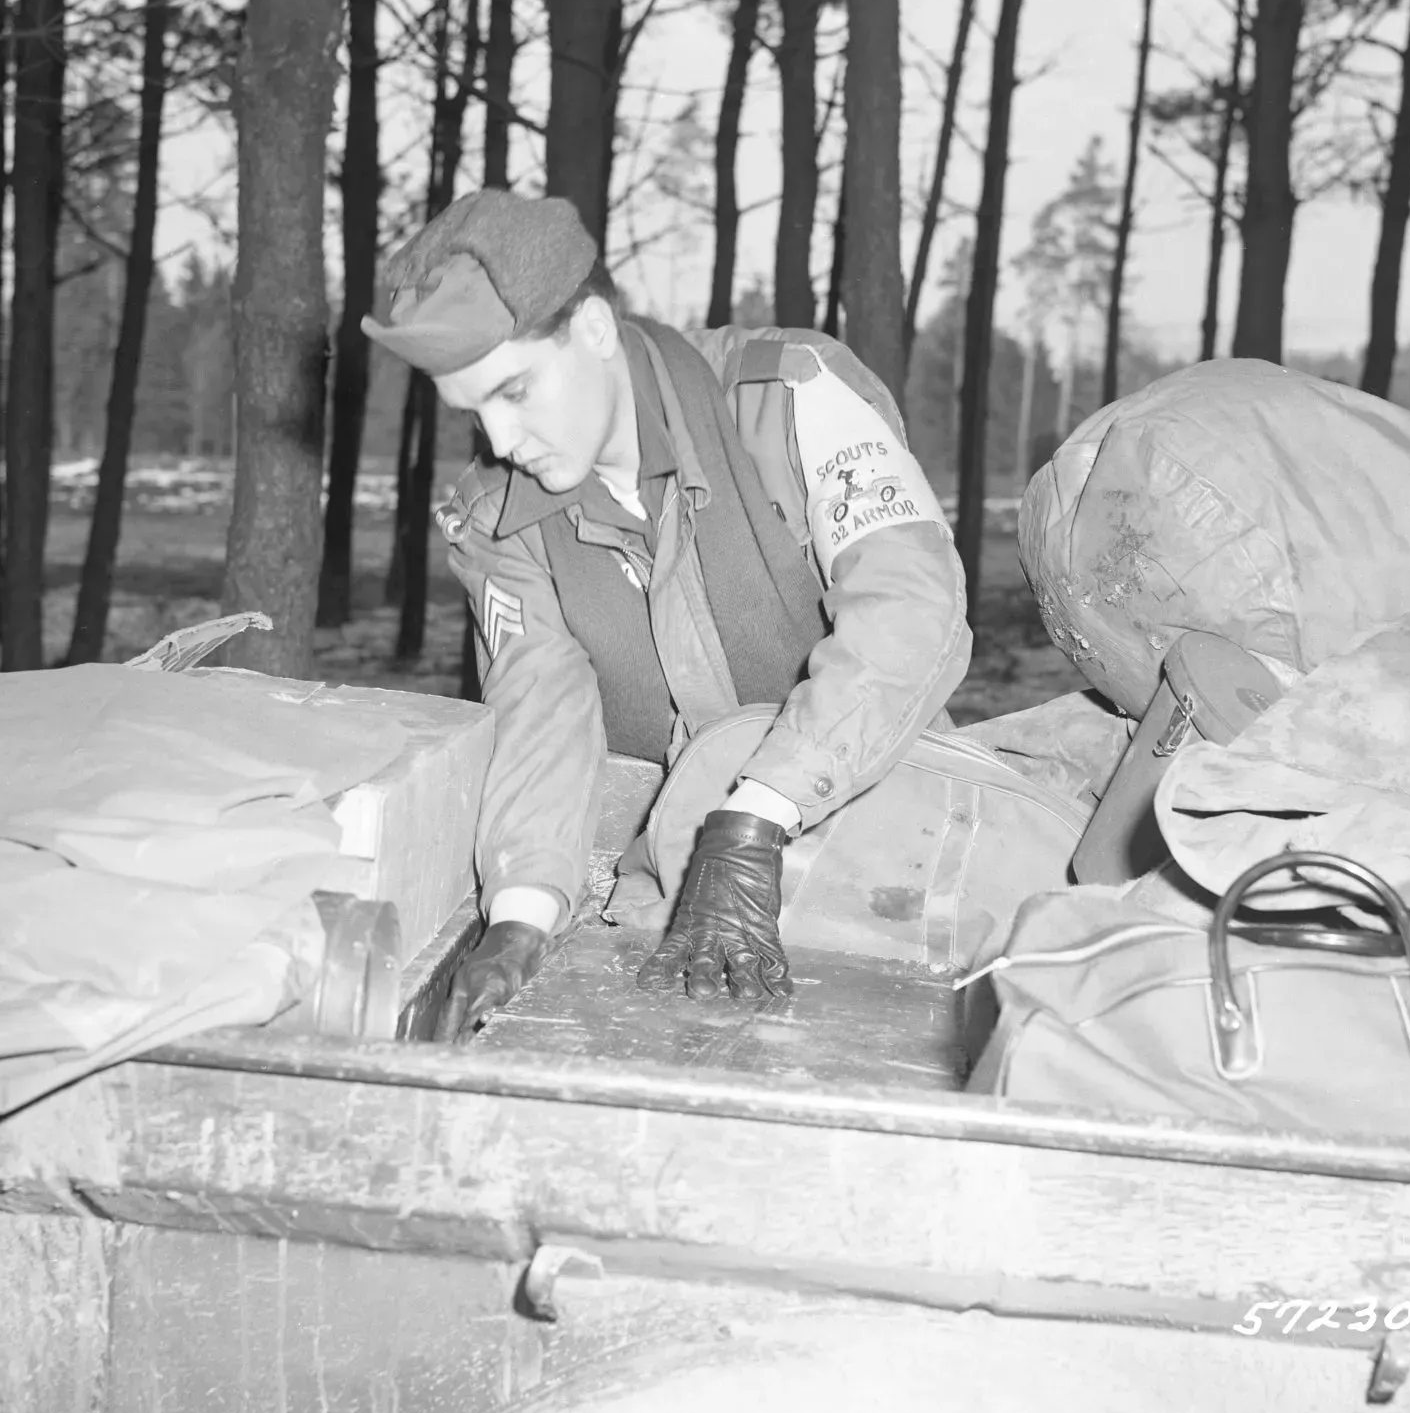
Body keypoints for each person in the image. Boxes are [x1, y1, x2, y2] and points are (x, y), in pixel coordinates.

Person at [359, 189, 970, 1034]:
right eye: (474, 411)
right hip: (659, 862)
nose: (501, 440)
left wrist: (757, 815)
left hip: (876, 829)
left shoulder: (788, 395)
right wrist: (522, 919)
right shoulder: (499, 519)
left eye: (517, 390)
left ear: (597, 330)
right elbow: (540, 708)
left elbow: (911, 609)